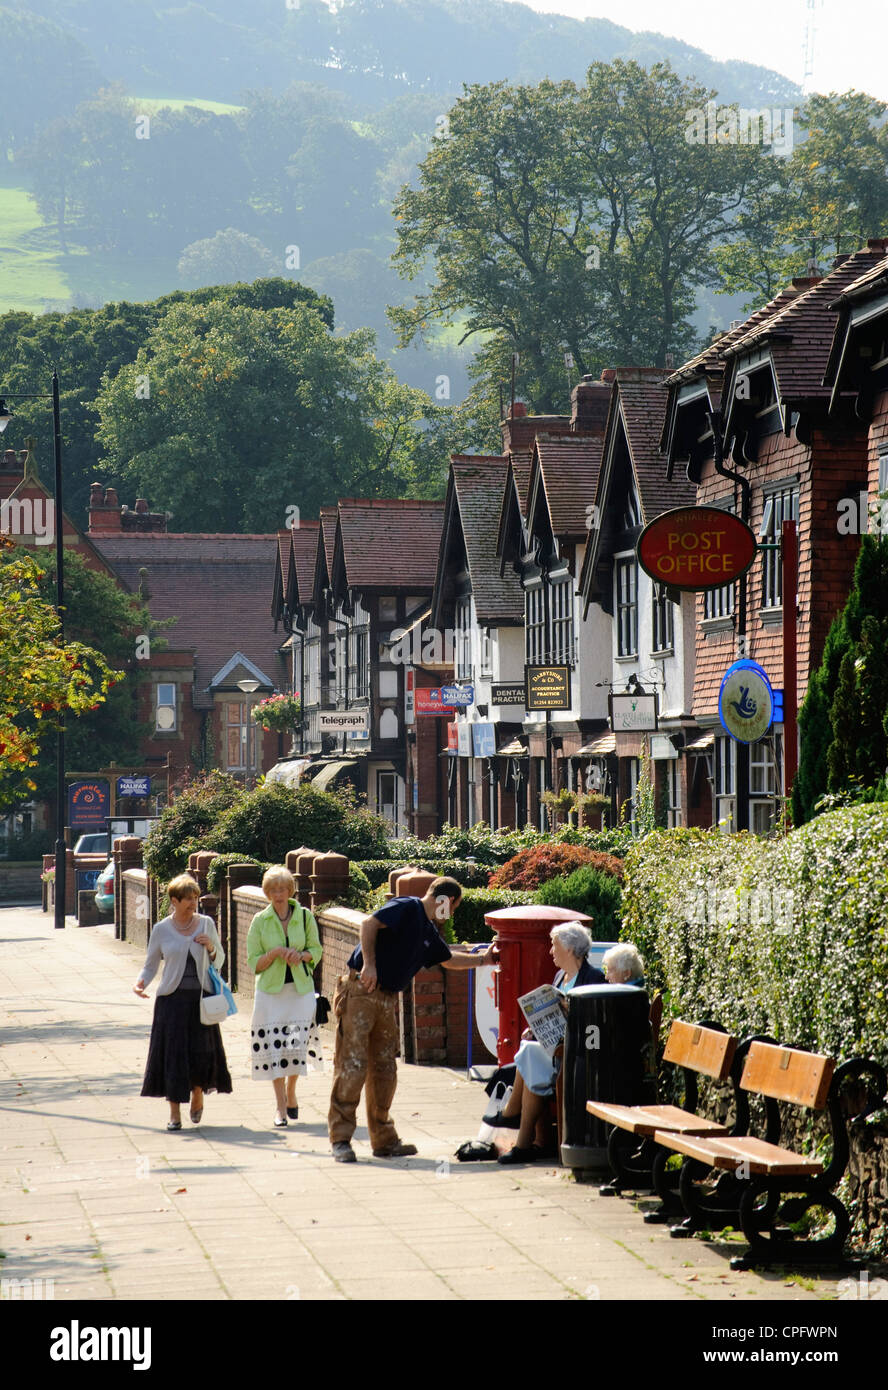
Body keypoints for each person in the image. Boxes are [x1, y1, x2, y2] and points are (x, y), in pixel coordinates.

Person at [328, 876, 497, 1163]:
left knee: (384, 1072)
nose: (452, 913)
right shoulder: (407, 907)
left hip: (387, 998)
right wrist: (369, 964)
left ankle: (384, 1140)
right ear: (445, 900)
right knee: (353, 1065)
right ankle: (341, 1140)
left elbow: (447, 959)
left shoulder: (429, 930)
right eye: (453, 906)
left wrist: (484, 960)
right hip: (360, 990)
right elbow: (369, 924)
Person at [489, 922, 613, 1165]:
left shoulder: (593, 978)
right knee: (529, 1050)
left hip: (576, 1052)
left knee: (530, 1055)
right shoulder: (559, 976)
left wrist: (573, 1011)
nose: (550, 951)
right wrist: (533, 1028)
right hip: (553, 1048)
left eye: (554, 945)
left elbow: (595, 1029)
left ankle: (517, 1125)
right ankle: (532, 1142)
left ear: (569, 948)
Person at [134, 874, 232, 1131]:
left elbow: (219, 959)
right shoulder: (161, 929)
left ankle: (198, 1093)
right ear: (174, 901)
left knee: (201, 1053)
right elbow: (150, 965)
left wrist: (211, 946)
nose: (193, 904)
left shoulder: (206, 924)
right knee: (173, 1058)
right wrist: (140, 983)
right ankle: (174, 1114)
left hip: (200, 1001)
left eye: (195, 899)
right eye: (188, 899)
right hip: (172, 1003)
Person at [247, 866, 323, 1128]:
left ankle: (292, 1090)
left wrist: (301, 955)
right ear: (267, 893)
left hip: (299, 992)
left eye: (282, 889)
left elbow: (317, 949)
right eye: (273, 890)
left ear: (290, 890)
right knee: (274, 1048)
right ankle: (280, 1106)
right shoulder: (260, 920)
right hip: (270, 994)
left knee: (295, 1046)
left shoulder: (304, 916)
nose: (278, 894)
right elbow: (253, 962)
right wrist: (275, 953)